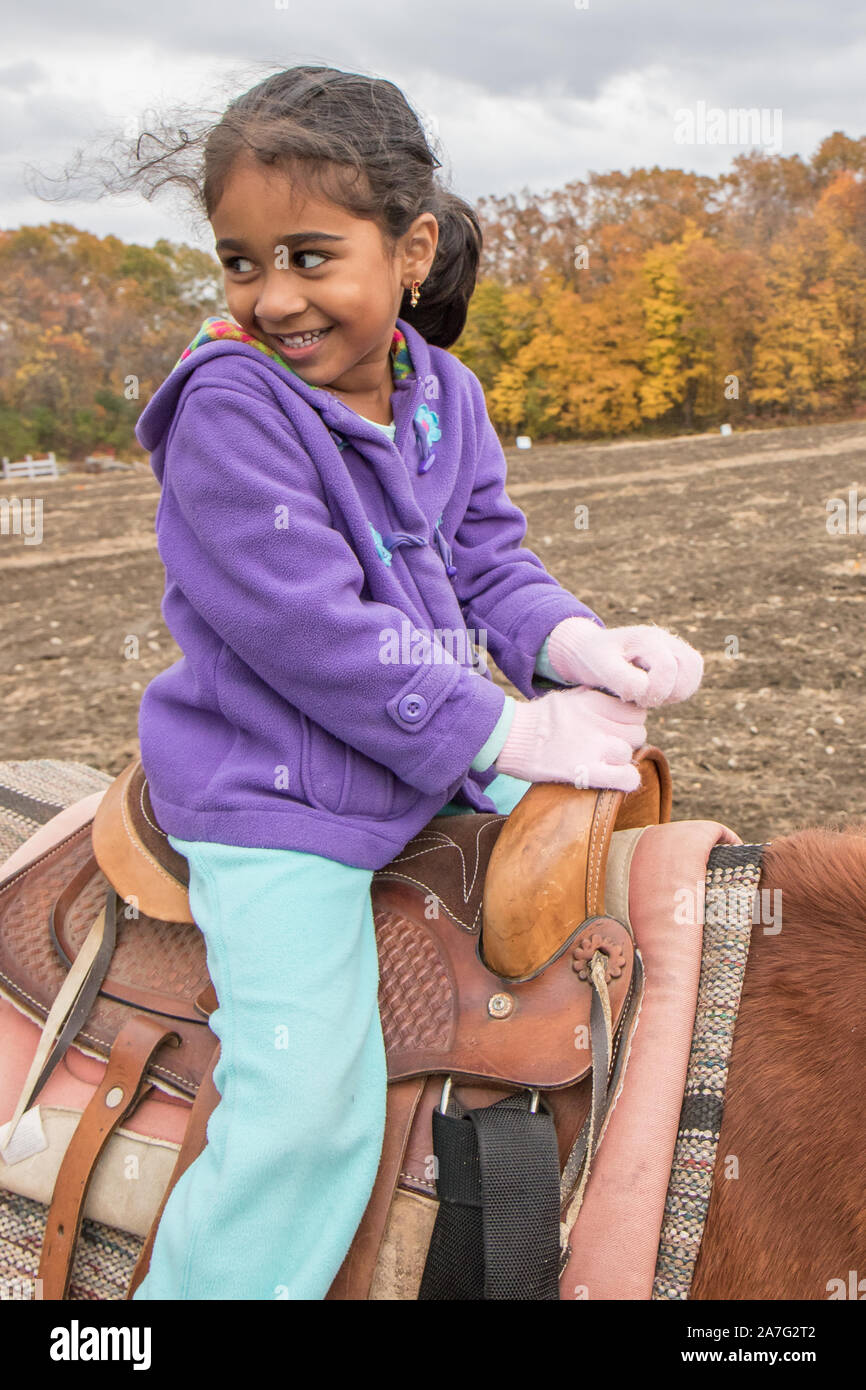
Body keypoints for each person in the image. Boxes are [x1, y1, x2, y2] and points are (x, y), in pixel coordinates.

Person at [130, 66, 702, 1300]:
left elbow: (490, 561)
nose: (272, 295)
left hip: (414, 766)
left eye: (307, 255)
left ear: (411, 247)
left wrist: (575, 647)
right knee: (304, 1103)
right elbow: (313, 632)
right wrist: (503, 726)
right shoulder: (229, 408)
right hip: (274, 798)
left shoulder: (445, 396)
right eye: (240, 262)